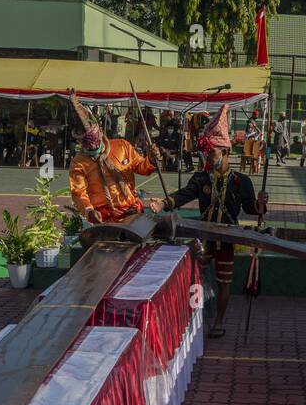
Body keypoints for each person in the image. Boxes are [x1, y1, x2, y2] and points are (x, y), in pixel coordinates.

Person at [149, 104, 267, 339]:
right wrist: (163, 203)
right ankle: (194, 318)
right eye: (206, 153)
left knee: (224, 282)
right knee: (195, 277)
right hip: (203, 236)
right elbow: (184, 194)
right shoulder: (201, 177)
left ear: (225, 152)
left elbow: (250, 208)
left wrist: (260, 205)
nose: (208, 157)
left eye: (212, 153)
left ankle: (219, 322)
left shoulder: (241, 181)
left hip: (227, 238)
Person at [67, 91, 161, 224]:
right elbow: (78, 193)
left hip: (132, 212)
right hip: (105, 218)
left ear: (100, 130)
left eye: (94, 139)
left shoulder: (122, 146)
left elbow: (142, 167)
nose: (93, 145)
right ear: (79, 142)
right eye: (87, 143)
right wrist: (89, 211)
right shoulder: (78, 163)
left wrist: (151, 159)